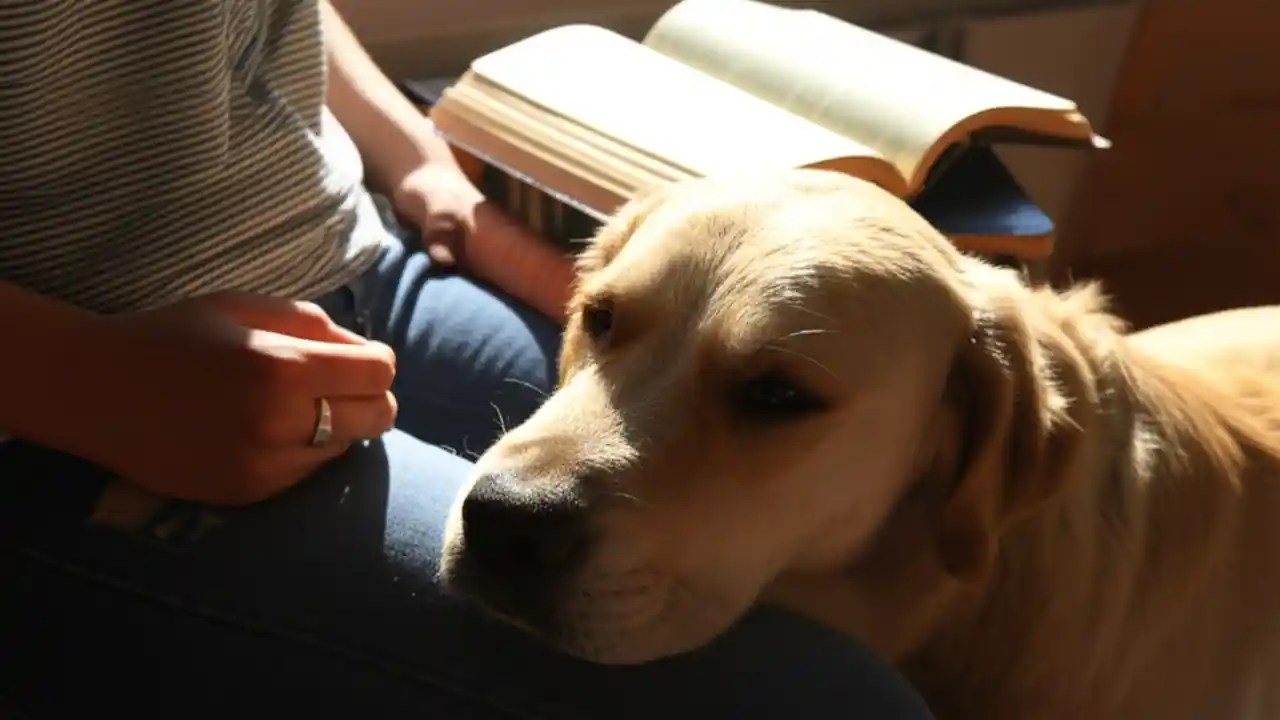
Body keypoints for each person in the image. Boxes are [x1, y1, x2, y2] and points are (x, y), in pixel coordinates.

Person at [0, 2, 935, 717]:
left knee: (888, 571)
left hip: (361, 252)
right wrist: (81, 378)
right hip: (68, 388)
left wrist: (416, 161)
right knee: (831, 703)